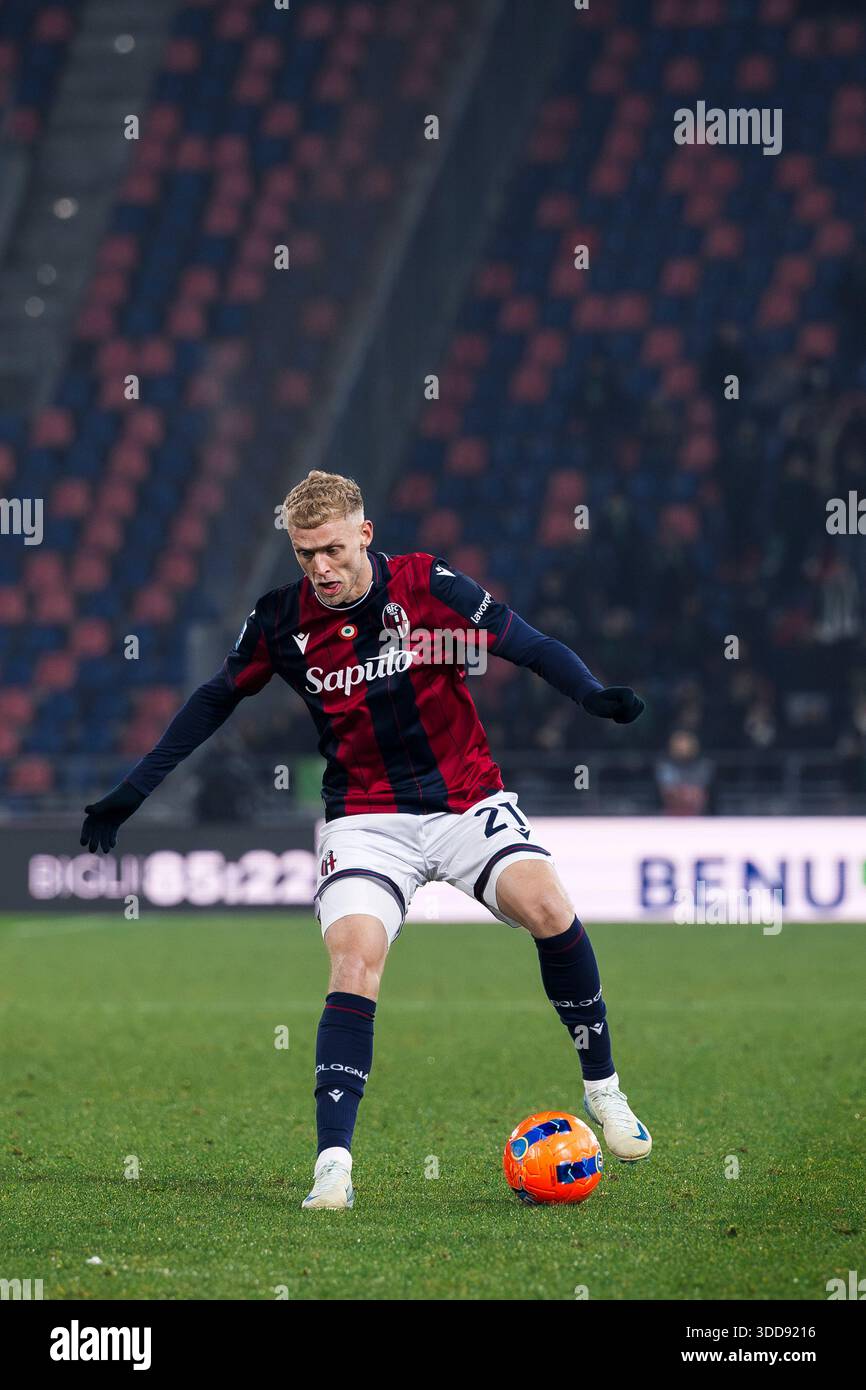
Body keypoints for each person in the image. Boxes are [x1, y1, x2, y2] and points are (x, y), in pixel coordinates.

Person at [80, 470, 651, 1210]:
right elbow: (211, 703)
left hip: (464, 798)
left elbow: (524, 641)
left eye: (331, 549)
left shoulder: (426, 585)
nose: (319, 567)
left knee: (548, 907)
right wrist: (134, 791)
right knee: (353, 961)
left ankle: (604, 1091)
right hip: (364, 818)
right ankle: (333, 1167)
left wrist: (592, 695)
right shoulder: (279, 622)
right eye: (303, 552)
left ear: (364, 534)